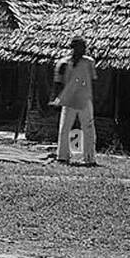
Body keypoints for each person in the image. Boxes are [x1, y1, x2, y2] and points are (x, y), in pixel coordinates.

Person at [50, 35, 97, 166]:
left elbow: (93, 81)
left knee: (88, 128)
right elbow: (57, 82)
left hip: (84, 99)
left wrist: (94, 98)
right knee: (65, 128)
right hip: (69, 100)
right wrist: (56, 98)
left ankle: (89, 158)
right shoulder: (63, 63)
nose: (83, 50)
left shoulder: (89, 62)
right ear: (73, 48)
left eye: (84, 47)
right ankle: (62, 156)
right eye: (80, 47)